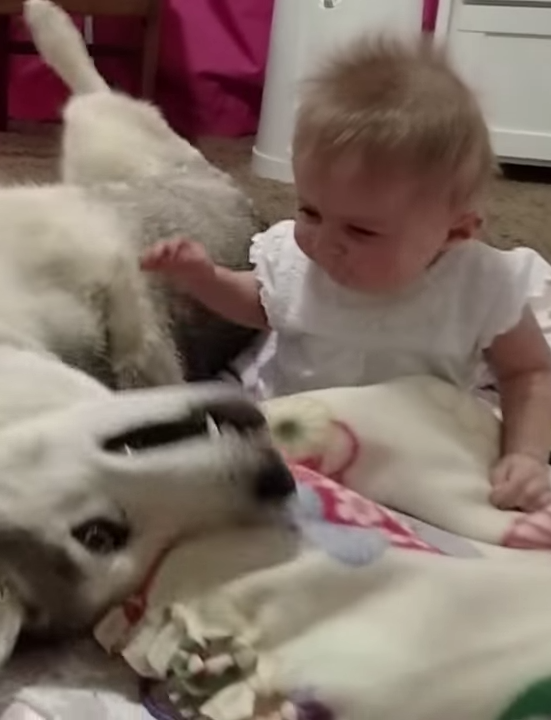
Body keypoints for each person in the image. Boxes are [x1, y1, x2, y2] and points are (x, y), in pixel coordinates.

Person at [141, 36, 551, 513]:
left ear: (455, 232)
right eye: (310, 211)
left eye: (361, 230)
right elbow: (259, 304)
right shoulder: (296, 261)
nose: (324, 243)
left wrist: (525, 455)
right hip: (299, 434)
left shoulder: (480, 285)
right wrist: (205, 278)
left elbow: (529, 372)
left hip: (415, 447)